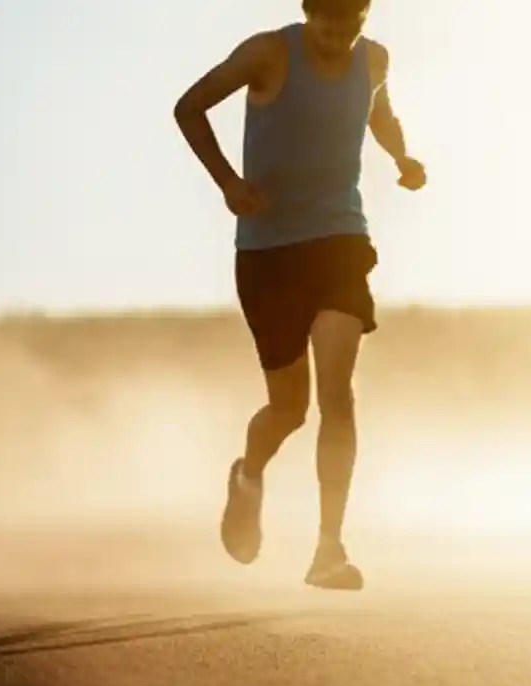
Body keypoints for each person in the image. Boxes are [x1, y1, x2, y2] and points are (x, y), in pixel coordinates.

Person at [173, 0, 425, 590]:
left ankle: (328, 550)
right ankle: (248, 475)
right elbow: (189, 108)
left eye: (351, 23)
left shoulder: (375, 60)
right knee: (290, 409)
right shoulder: (267, 53)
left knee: (338, 396)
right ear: (307, 10)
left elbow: (378, 112)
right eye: (328, 22)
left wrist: (401, 156)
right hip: (268, 254)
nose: (338, 36)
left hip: (340, 240)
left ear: (365, 15)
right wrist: (228, 183)